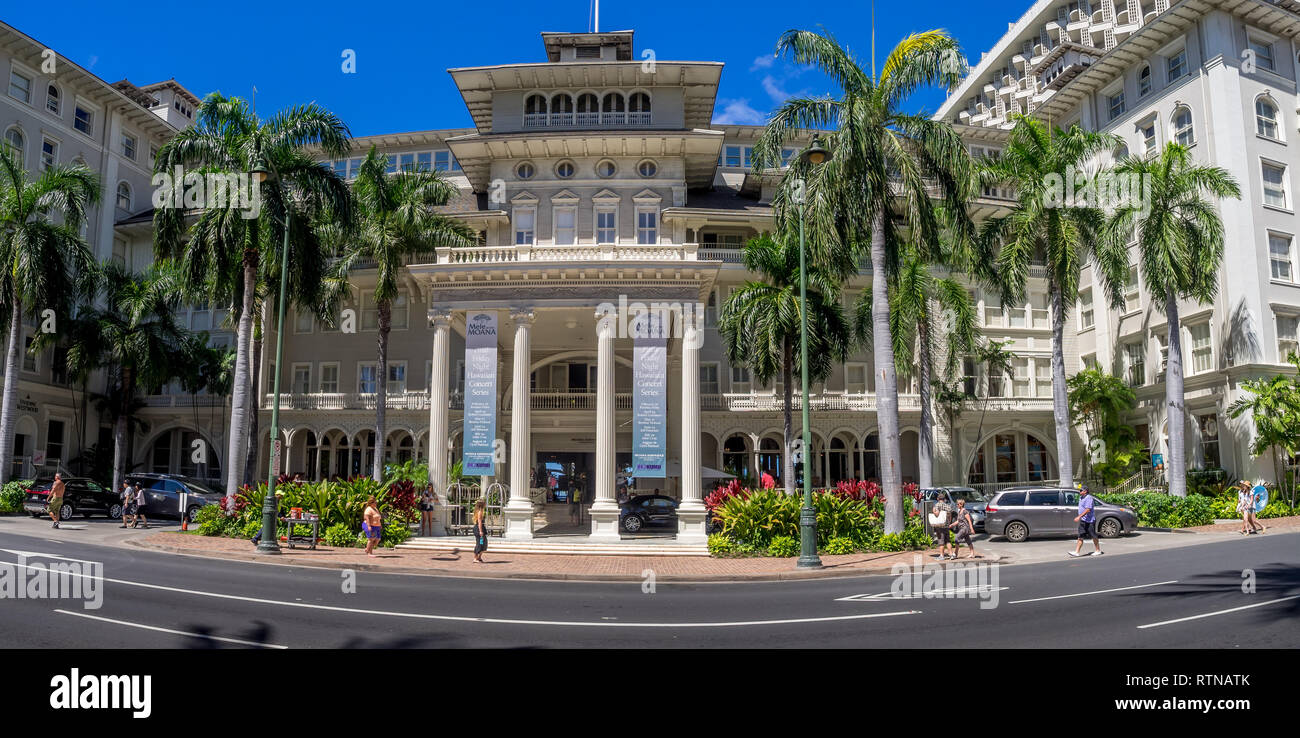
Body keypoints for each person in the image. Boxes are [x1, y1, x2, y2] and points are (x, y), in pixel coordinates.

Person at [1069, 486, 1102, 557]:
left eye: (1081, 490)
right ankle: (1077, 552)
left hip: (1089, 521)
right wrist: (1081, 517)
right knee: (1080, 536)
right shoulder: (1081, 498)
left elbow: (1088, 509)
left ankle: (1098, 550)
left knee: (1093, 536)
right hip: (1083, 520)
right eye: (1079, 490)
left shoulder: (1089, 498)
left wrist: (1079, 516)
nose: (1079, 492)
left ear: (1085, 491)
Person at [472, 498, 488, 563]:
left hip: (480, 528)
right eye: (484, 503)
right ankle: (475, 558)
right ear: (482, 504)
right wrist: (481, 531)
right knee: (479, 543)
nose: (485, 504)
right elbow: (479, 522)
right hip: (479, 529)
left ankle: (479, 557)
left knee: (483, 543)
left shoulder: (480, 511)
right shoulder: (479, 512)